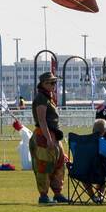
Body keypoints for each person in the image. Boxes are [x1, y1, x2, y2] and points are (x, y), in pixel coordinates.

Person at [30, 71, 69, 204]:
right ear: (43, 84)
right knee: (44, 166)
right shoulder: (41, 98)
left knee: (59, 164)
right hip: (44, 135)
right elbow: (42, 120)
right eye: (51, 83)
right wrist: (48, 139)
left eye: (55, 82)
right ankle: (44, 195)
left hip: (54, 134)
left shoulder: (49, 97)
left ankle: (57, 193)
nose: (54, 85)